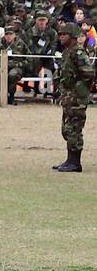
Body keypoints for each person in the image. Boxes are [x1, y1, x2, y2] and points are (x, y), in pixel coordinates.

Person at [53, 21, 94, 172]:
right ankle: (70, 160)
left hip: (76, 98)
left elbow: (89, 73)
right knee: (67, 129)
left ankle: (75, 163)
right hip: (68, 97)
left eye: (64, 34)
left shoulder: (78, 52)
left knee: (74, 129)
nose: (61, 37)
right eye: (60, 34)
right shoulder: (67, 52)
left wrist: (79, 89)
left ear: (72, 36)